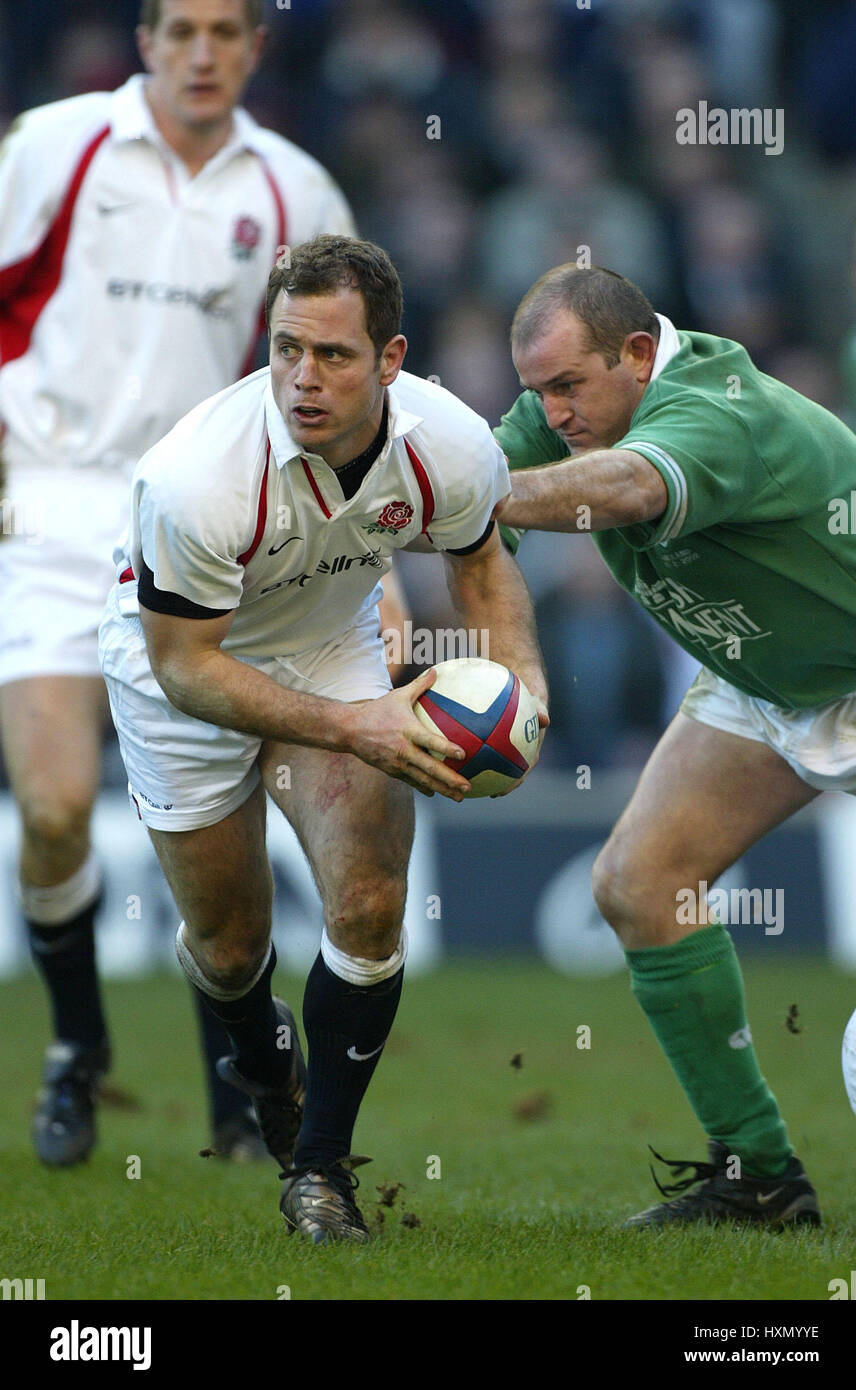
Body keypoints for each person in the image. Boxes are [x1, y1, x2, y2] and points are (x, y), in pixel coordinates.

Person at [97, 233, 548, 1243]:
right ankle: (262, 1062)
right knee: (226, 945)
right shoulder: (194, 479)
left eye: (333, 355)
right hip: (180, 670)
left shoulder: (454, 445)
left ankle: (319, 1172)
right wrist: (359, 722)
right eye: (286, 347)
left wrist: (525, 684)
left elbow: (480, 568)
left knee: (369, 901)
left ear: (390, 359)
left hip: (330, 644)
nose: (302, 377)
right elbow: (187, 666)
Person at [0, 0, 357, 1168]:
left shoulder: (296, 190)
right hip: (48, 505)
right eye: (181, 30)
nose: (202, 54)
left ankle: (236, 1082)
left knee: (210, 813)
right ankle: (78, 1050)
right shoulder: (56, 146)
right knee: (53, 809)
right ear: (142, 41)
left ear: (258, 46)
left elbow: (328, 376)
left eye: (227, 32)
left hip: (205, 521)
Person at [494, 261, 856, 1228]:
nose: (552, 414)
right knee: (639, 884)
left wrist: (456, 502)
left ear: (638, 354)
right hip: (767, 677)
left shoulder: (717, 405)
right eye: (536, 392)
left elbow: (622, 488)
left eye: (569, 387)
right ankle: (759, 1180)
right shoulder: (562, 407)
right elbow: (469, 500)